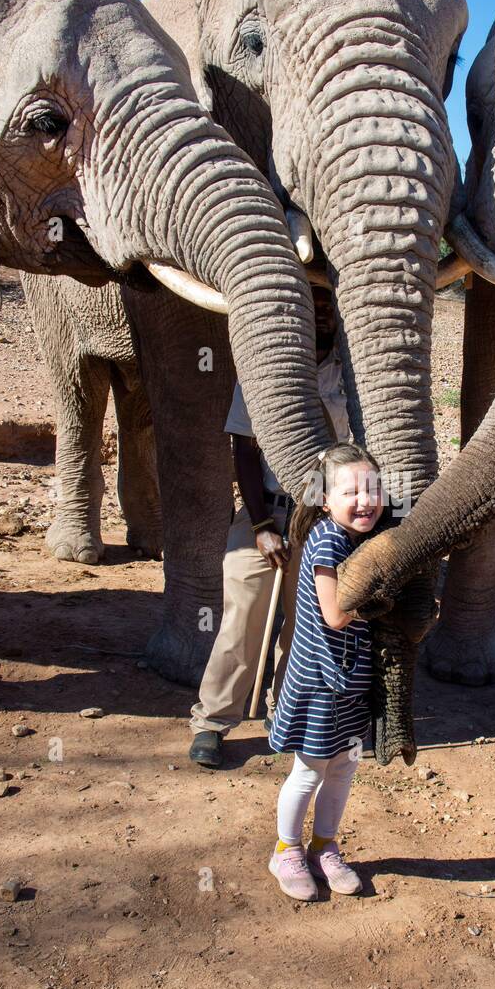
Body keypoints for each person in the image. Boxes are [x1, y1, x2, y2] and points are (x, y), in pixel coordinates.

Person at [188, 291, 349, 770]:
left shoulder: (351, 373)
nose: (321, 311)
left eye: (328, 302)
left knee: (305, 626)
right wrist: (260, 525)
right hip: (267, 515)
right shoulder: (267, 361)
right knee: (242, 620)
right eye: (312, 299)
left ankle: (286, 714)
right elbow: (243, 450)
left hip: (323, 521)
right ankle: (213, 722)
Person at [267, 441, 385, 901]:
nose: (365, 500)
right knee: (310, 771)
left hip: (347, 683)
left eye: (373, 489)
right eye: (351, 491)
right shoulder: (329, 539)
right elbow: (335, 615)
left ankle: (324, 846)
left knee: (343, 769)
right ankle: (286, 850)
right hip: (321, 683)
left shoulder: (355, 538)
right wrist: (383, 603)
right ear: (324, 498)